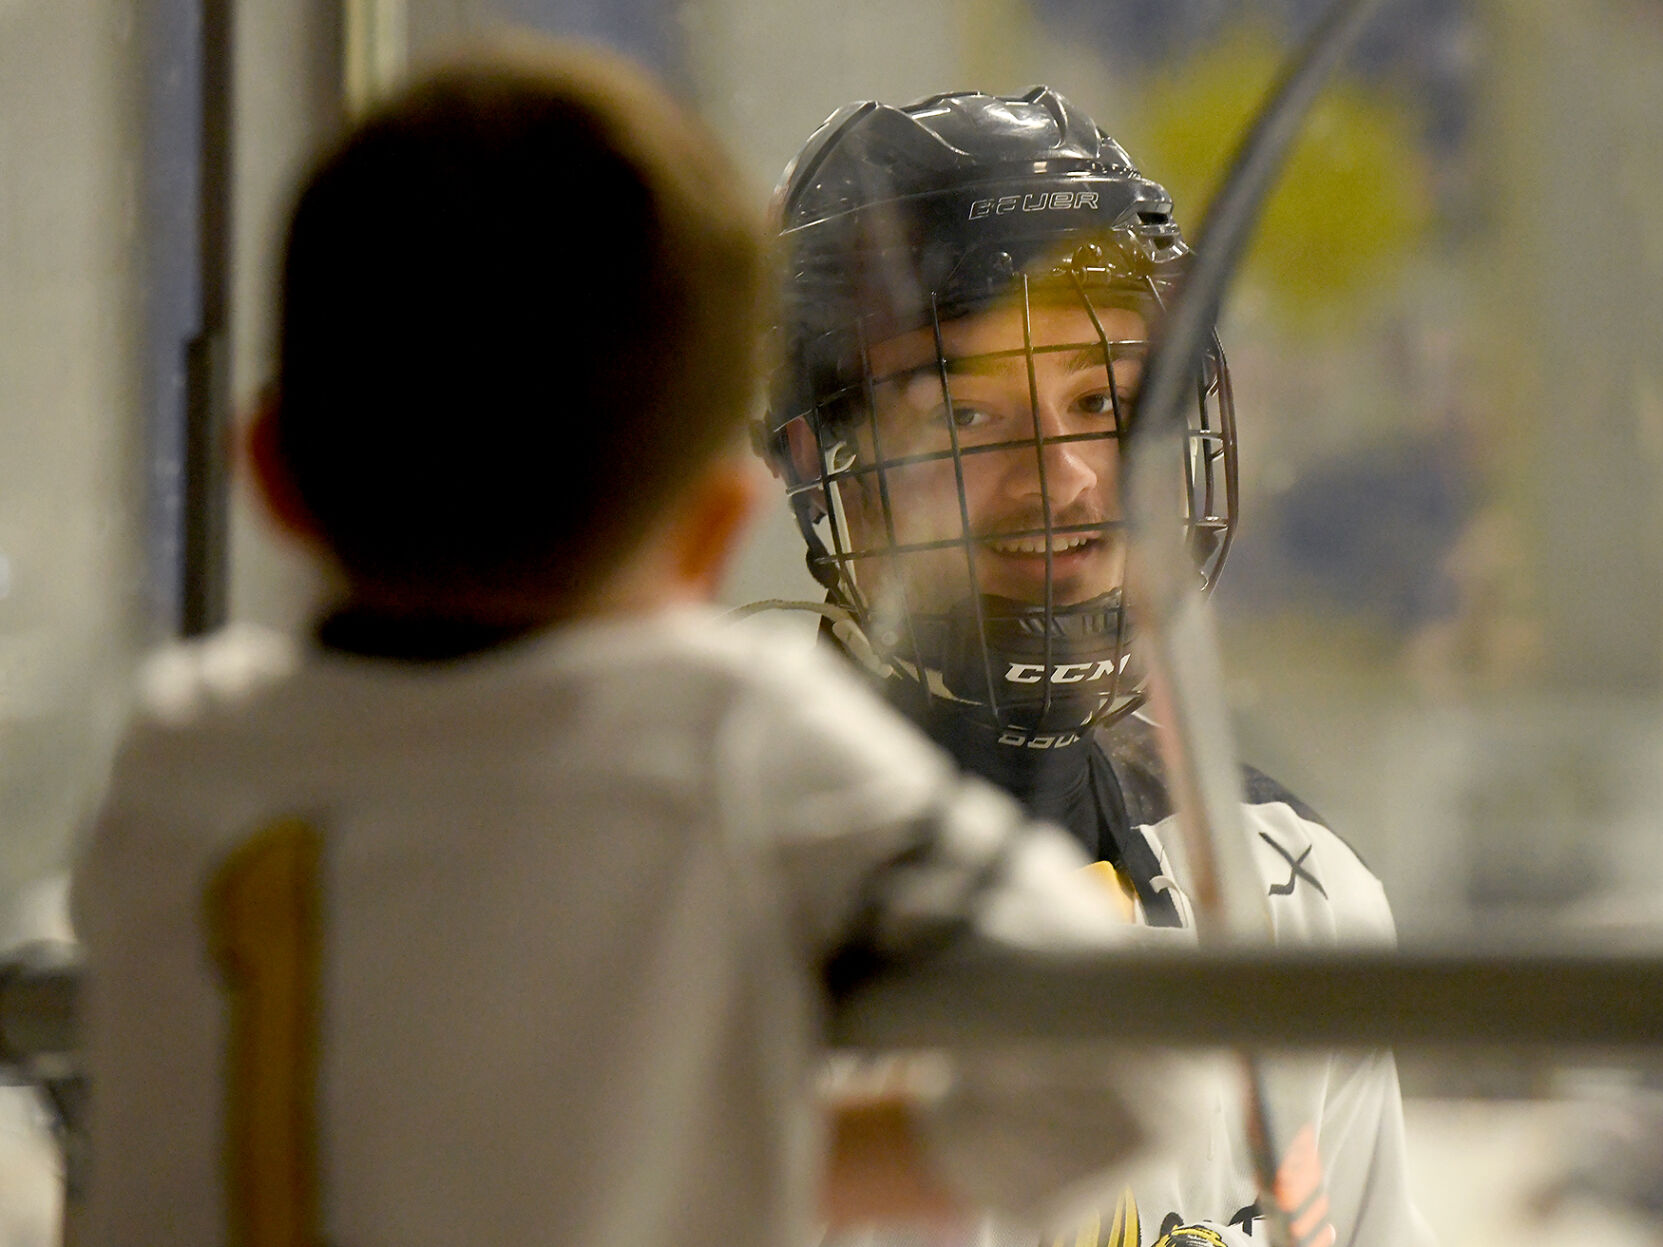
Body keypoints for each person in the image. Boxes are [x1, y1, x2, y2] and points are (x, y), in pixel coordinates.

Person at [68, 42, 1212, 1247]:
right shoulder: (725, 734)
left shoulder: (176, 748)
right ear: (717, 523)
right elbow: (1127, 1064)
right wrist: (706, 1159)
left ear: (270, 475)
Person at [757, 87, 1435, 1246]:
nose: (1069, 479)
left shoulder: (1295, 901)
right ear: (823, 461)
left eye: (1102, 403)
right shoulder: (696, 889)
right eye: (968, 418)